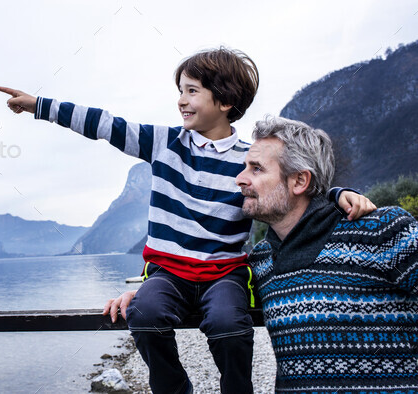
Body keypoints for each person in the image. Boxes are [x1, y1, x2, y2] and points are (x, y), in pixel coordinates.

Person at [0, 47, 371, 394]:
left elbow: (294, 187)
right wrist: (38, 105)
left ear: (224, 102)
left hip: (224, 272)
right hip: (167, 273)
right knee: (143, 314)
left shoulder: (248, 160)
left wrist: (339, 195)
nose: (180, 100)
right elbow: (105, 124)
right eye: (180, 90)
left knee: (229, 326)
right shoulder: (164, 144)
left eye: (192, 91)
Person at [107, 115, 417, 392]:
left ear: (299, 181)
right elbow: (209, 283)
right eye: (244, 167)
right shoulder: (262, 261)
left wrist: (337, 195)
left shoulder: (382, 231)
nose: (239, 179)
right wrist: (152, 292)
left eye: (255, 169)